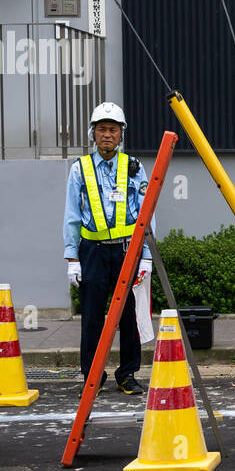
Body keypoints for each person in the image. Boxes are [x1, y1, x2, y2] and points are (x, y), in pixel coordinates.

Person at [64, 101, 152, 394]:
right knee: (92, 316)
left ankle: (127, 374)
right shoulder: (80, 169)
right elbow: (72, 216)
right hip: (93, 252)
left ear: (121, 134)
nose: (107, 135)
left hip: (128, 250)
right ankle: (92, 376)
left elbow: (147, 211)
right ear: (93, 133)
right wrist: (72, 257)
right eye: (101, 129)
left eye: (112, 129)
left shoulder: (135, 167)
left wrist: (146, 256)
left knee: (128, 315)